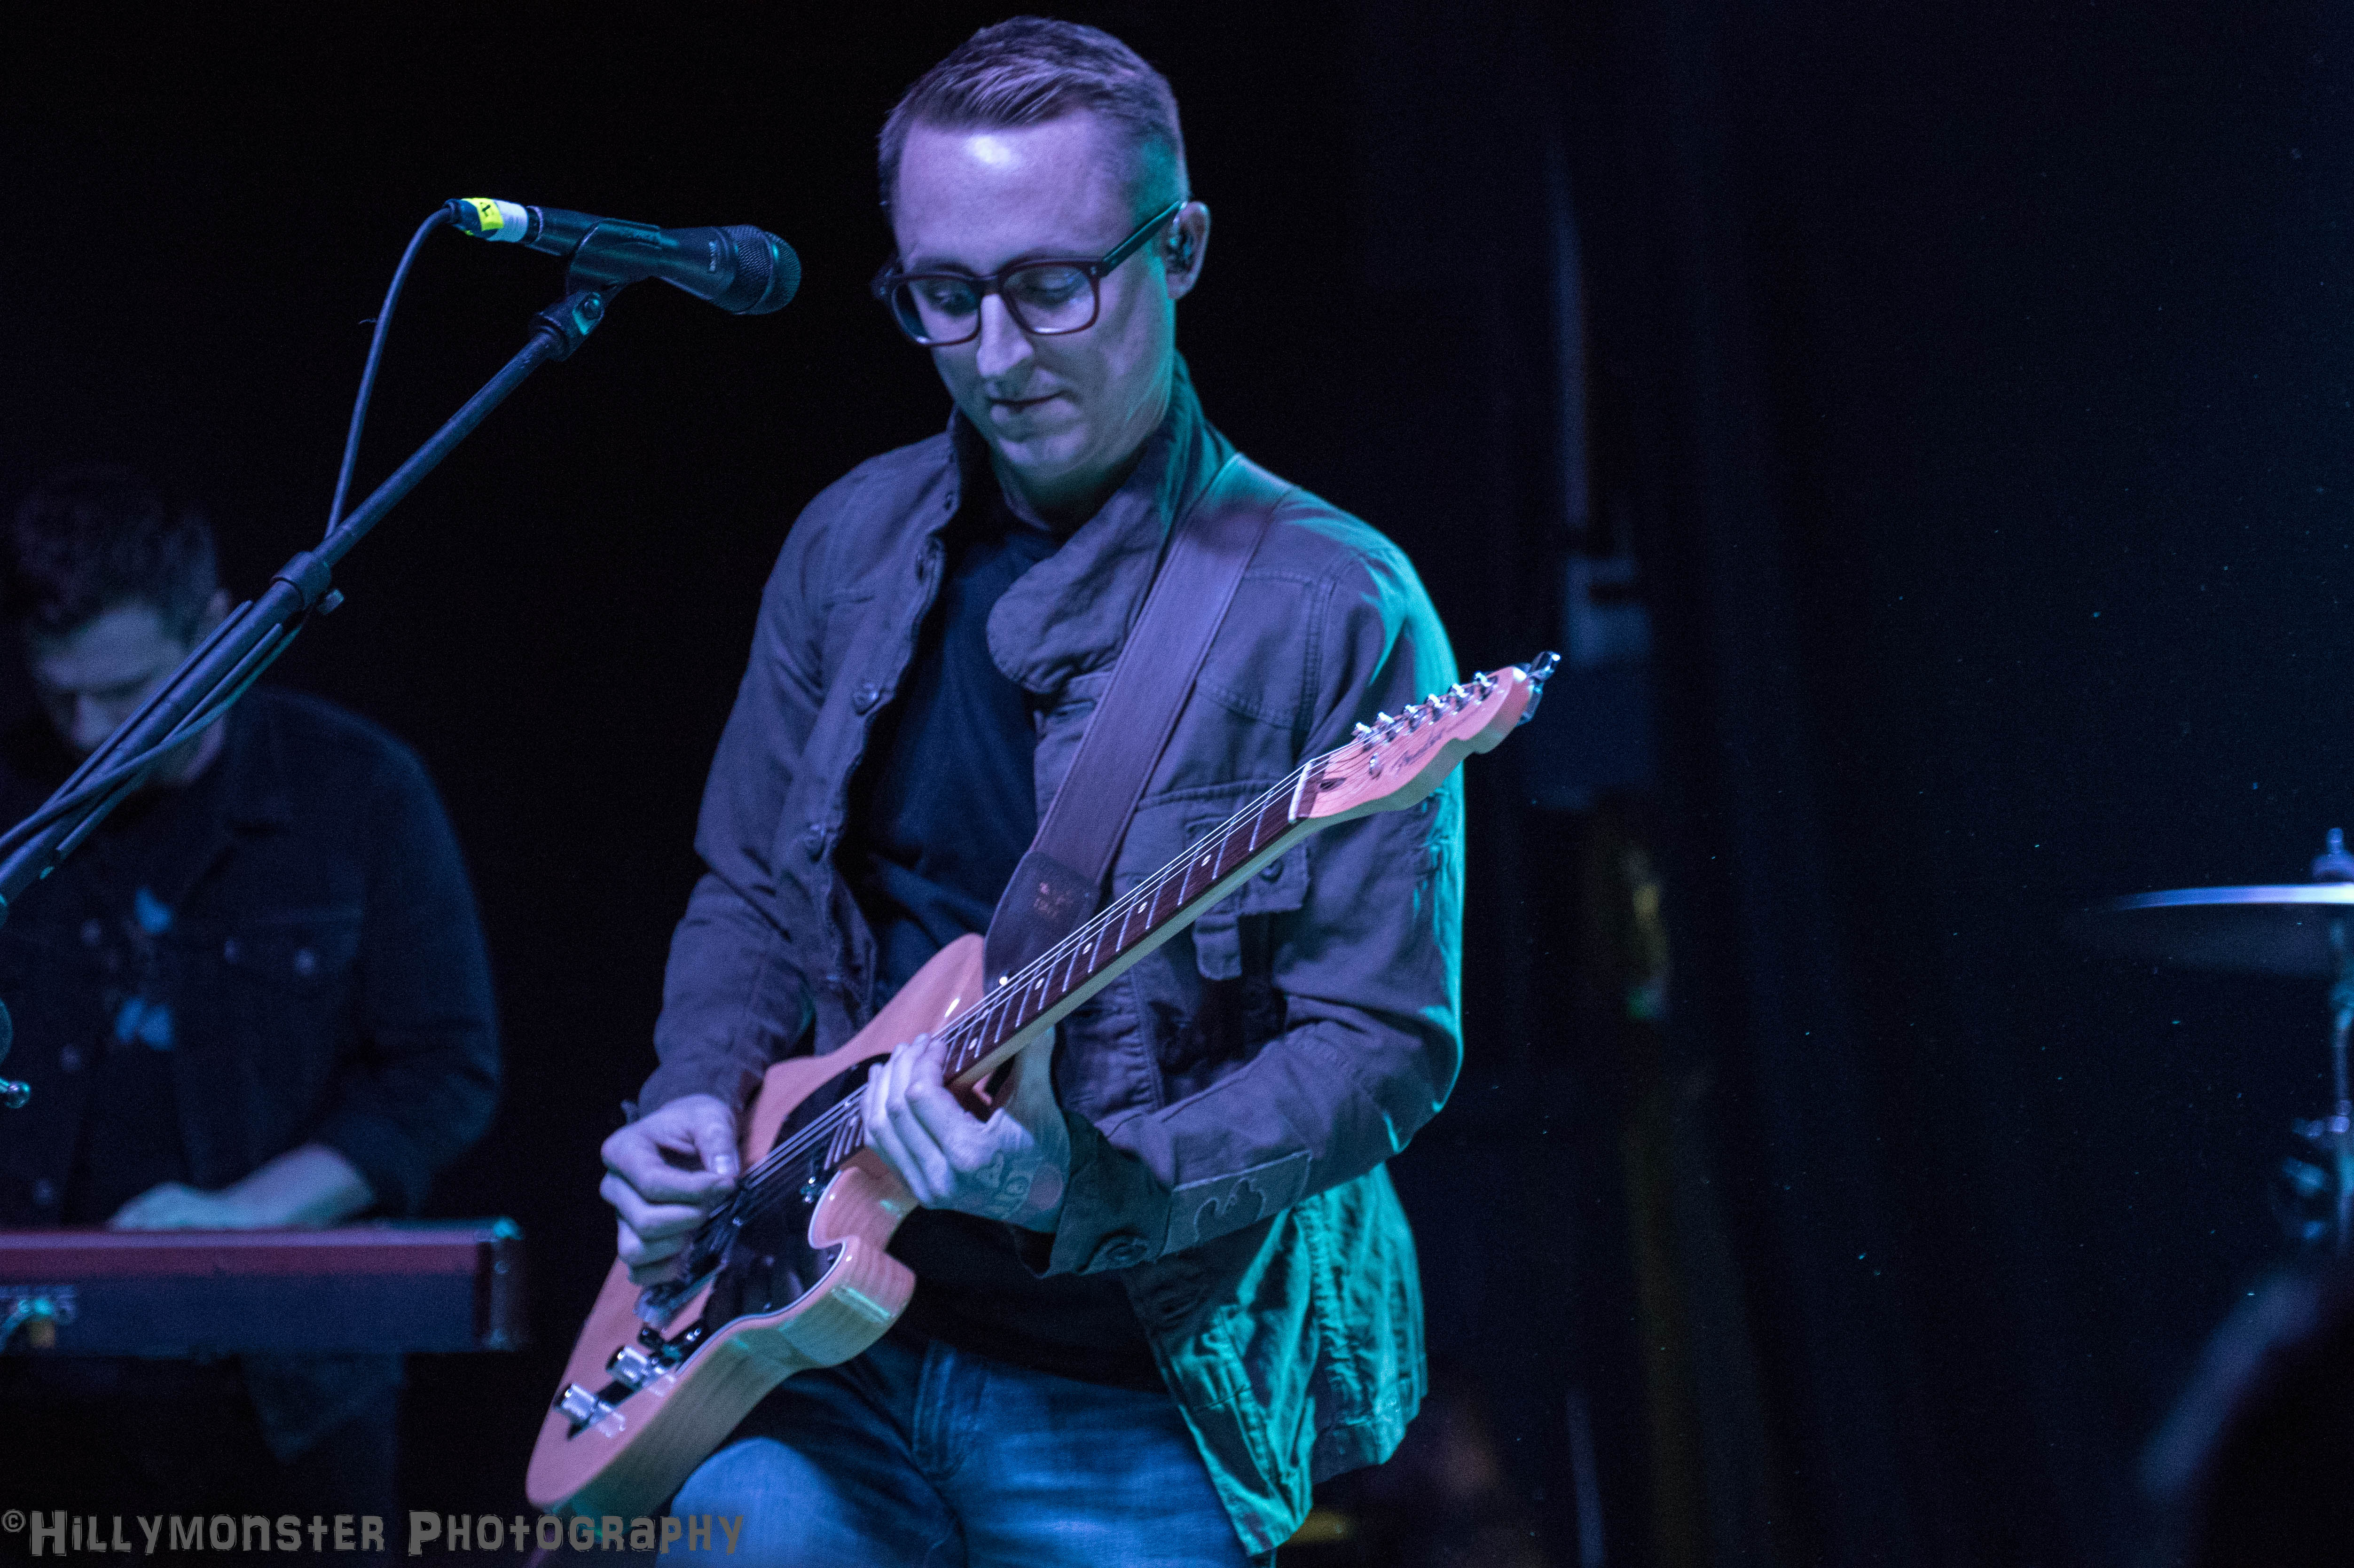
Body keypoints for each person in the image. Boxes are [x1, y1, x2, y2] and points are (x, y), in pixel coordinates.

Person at [598, 18, 1462, 1565]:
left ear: (1180, 251)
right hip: (815, 1341)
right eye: (945, 295)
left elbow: (1380, 1049)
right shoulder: (846, 543)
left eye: (1052, 285)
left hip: (1135, 1382)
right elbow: (748, 891)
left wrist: (1085, 1183)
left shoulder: (1335, 603)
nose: (997, 355)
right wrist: (693, 1101)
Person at [0, 465, 499, 1561]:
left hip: (285, 1403)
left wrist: (240, 1218)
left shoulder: (358, 790)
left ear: (221, 631)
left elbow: (443, 1072)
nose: (90, 734)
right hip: (31, 1403)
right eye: (59, 695)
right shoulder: (15, 797)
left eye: (128, 696)